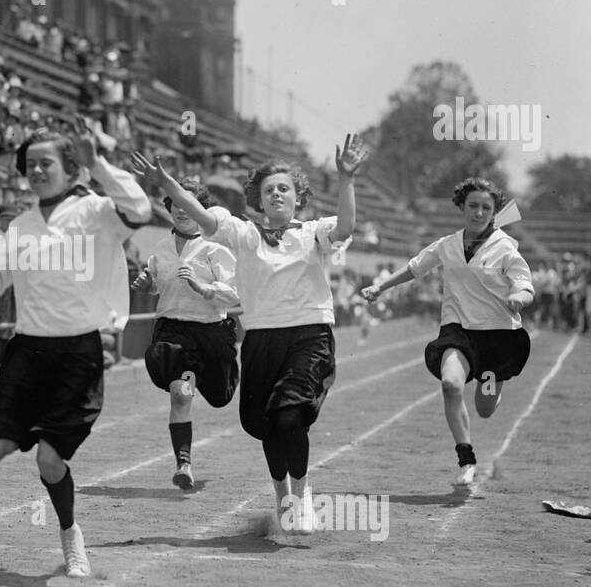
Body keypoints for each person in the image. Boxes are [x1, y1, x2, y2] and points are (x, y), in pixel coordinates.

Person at [136, 133, 368, 535]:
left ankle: (301, 493)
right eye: (268, 189)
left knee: (289, 415)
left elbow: (347, 225)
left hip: (308, 337)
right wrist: (167, 184)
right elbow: (202, 215)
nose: (277, 194)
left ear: (298, 197)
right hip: (261, 341)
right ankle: (282, 497)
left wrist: (346, 178)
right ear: (258, 200)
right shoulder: (242, 234)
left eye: (285, 188)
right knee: (264, 424)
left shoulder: (313, 233)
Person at [0, 127, 152, 576]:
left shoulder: (96, 212)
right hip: (26, 352)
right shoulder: (21, 226)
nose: (37, 171)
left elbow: (139, 208)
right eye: (30, 165)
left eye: (47, 163)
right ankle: (35, 436)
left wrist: (100, 164)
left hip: (77, 352)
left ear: (70, 169)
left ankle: (70, 534)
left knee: (49, 458)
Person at [361, 177, 533, 488]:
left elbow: (523, 283)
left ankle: (494, 379)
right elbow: (415, 267)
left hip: (498, 335)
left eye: (486, 208)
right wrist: (380, 287)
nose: (479, 213)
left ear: (494, 212)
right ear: (462, 207)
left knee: (484, 410)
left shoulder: (505, 247)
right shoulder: (448, 244)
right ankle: (466, 460)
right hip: (458, 330)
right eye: (473, 206)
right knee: (451, 385)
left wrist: (519, 297)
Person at [130, 177, 240, 489]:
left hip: (211, 334)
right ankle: (184, 463)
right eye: (175, 203)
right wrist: (148, 284)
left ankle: (207, 380)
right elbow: (158, 286)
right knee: (181, 393)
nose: (181, 210)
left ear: (201, 209)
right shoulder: (161, 250)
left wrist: (205, 288)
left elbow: (235, 294)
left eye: (187, 204)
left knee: (220, 397)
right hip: (174, 332)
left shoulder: (215, 247)